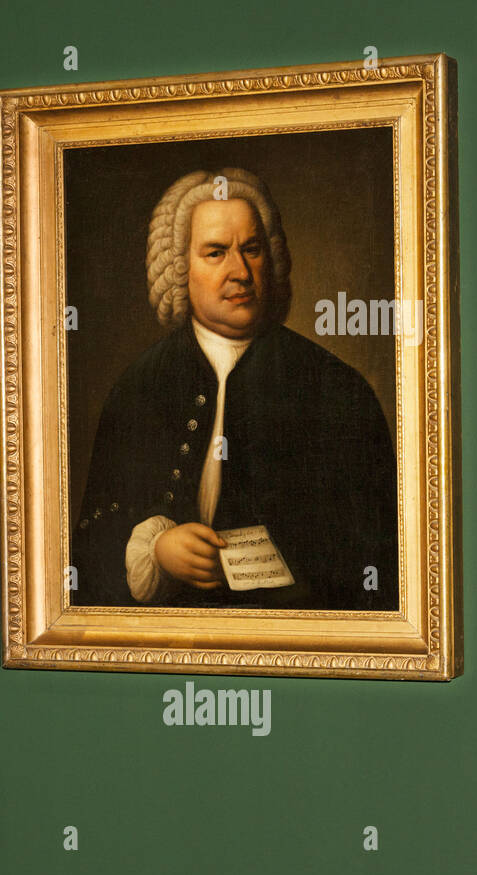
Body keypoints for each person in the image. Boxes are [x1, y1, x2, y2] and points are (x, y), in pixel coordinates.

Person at [73, 168, 398, 610]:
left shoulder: (338, 390)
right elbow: (88, 551)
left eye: (251, 249)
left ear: (272, 258)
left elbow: (377, 560)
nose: (240, 271)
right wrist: (157, 553)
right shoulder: (138, 388)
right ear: (180, 267)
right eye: (215, 253)